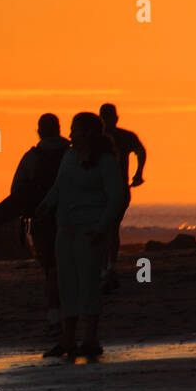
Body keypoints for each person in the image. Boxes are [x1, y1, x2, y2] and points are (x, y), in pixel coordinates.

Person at [35, 112, 126, 359]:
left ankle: (90, 339)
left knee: (88, 284)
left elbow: (117, 198)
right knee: (66, 285)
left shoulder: (106, 161)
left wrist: (101, 228)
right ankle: (67, 339)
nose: (71, 134)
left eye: (75, 130)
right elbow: (59, 187)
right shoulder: (69, 156)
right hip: (65, 230)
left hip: (89, 231)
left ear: (88, 133)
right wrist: (43, 208)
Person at [0, 113, 70, 330]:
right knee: (69, 267)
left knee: (50, 269)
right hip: (71, 218)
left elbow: (16, 191)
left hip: (42, 219)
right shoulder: (73, 153)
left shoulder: (32, 157)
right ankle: (70, 312)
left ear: (39, 130)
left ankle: (55, 314)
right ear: (59, 128)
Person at [97, 103, 146, 290]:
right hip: (103, 191)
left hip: (117, 189)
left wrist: (138, 173)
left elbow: (141, 151)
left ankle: (108, 267)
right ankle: (105, 268)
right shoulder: (97, 139)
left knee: (110, 227)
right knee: (106, 228)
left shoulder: (123, 137)